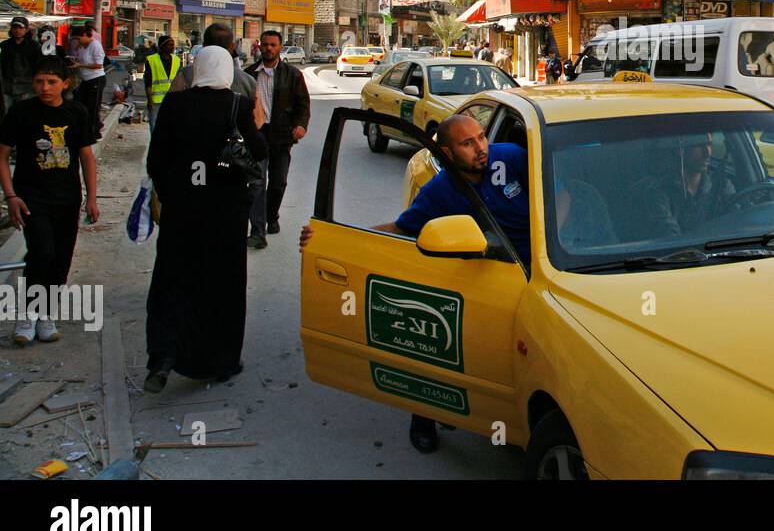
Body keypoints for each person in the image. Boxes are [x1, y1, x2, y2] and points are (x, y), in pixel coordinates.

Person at [298, 113, 529, 454]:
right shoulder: (438, 192)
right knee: (441, 348)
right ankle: (424, 414)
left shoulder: (511, 156)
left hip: (534, 275)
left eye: (481, 138)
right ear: (448, 154)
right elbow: (400, 229)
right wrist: (330, 240)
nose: (482, 149)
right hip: (476, 282)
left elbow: (561, 190)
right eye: (468, 143)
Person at [143, 47, 266, 392]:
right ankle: (220, 360)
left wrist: (171, 196)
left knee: (171, 282)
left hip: (182, 212)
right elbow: (260, 151)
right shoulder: (237, 106)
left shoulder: (175, 104)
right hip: (224, 216)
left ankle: (163, 357)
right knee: (222, 287)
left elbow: (157, 161)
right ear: (226, 71)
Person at [0, 58, 98, 345]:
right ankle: (28, 315)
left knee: (60, 259)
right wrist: (11, 196)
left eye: (52, 82)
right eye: (40, 81)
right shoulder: (21, 113)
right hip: (31, 197)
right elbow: (2, 156)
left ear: (65, 84)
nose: (45, 87)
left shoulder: (76, 112)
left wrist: (92, 197)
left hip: (67, 198)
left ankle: (46, 315)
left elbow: (86, 157)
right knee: (41, 253)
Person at [246, 30, 310, 247]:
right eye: (265, 44)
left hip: (282, 137)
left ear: (280, 47)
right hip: (256, 136)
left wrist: (301, 125)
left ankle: (271, 217)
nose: (269, 48)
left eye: (273, 45)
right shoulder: (249, 74)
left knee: (278, 183)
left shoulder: (292, 75)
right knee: (256, 183)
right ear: (259, 46)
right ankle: (257, 231)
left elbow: (303, 105)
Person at [641, 133, 736, 237]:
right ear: (680, 150)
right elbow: (670, 237)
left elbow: (737, 221)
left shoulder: (722, 185)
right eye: (699, 145)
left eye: (709, 145)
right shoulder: (660, 191)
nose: (707, 153)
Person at [70, 25, 107, 141]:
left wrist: (80, 65)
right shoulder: (81, 46)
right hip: (85, 79)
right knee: (81, 104)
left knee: (93, 107)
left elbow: (99, 65)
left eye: (78, 38)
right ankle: (87, 128)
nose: (77, 41)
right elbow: (82, 59)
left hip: (96, 78)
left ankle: (95, 133)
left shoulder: (95, 45)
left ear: (85, 35)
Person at [0, 16, 42, 114]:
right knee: (7, 114)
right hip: (7, 88)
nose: (17, 30)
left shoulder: (34, 45)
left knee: (23, 114)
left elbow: (39, 65)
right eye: (15, 27)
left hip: (27, 88)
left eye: (20, 28)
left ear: (26, 29)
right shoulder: (4, 45)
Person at [144, 35, 182, 131]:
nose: (172, 47)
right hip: (156, 100)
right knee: (154, 126)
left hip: (172, 99)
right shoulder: (152, 60)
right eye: (170, 45)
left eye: (173, 45)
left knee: (170, 126)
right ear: (162, 46)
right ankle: (155, 145)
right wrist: (150, 100)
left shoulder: (177, 60)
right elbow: (148, 82)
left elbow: (180, 81)